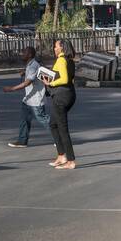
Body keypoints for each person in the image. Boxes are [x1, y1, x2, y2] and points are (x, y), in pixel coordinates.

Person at [4, 46, 50, 148]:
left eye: (24, 52)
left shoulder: (33, 65)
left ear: (29, 55)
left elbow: (27, 83)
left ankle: (59, 137)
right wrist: (24, 72)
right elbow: (33, 75)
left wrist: (11, 89)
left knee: (43, 119)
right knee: (24, 120)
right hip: (28, 99)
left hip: (36, 99)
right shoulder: (30, 65)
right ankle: (22, 141)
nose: (22, 54)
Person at [43, 37, 77, 169]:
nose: (54, 48)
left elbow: (64, 78)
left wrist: (50, 83)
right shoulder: (70, 60)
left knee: (62, 128)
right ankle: (61, 155)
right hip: (69, 94)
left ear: (62, 47)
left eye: (56, 46)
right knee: (53, 124)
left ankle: (71, 161)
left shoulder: (62, 60)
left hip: (61, 96)